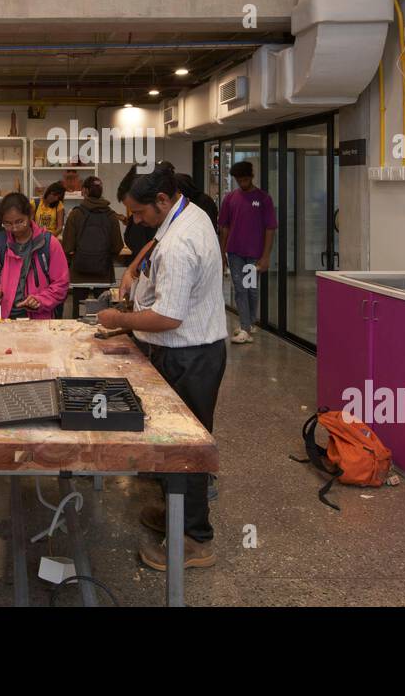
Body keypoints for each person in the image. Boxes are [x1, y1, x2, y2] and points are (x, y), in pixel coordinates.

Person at [99, 165, 227, 573]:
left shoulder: (181, 242)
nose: (134, 221)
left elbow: (168, 317)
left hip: (189, 354)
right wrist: (134, 269)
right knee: (174, 444)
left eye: (138, 213)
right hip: (192, 351)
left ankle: (195, 539)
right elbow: (155, 240)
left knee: (185, 448)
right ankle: (176, 516)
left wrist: (118, 321)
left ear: (162, 200)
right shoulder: (189, 213)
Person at [0, 192, 69, 320]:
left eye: (20, 222)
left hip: (39, 321)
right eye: (8, 224)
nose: (15, 228)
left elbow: (61, 284)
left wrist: (40, 300)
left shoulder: (49, 244)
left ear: (30, 215)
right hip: (3, 320)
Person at [218, 160, 277, 344]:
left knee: (251, 289)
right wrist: (222, 253)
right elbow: (224, 227)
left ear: (251, 177)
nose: (242, 183)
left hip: (253, 254)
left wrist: (265, 256)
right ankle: (245, 328)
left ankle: (249, 323)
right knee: (240, 289)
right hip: (235, 253)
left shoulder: (264, 199)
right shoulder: (229, 198)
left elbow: (270, 229)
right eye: (238, 180)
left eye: (244, 179)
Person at [61, 176, 123, 316]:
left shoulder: (76, 214)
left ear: (84, 191)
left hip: (79, 274)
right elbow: (117, 246)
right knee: (103, 315)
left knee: (78, 314)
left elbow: (67, 247)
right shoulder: (111, 215)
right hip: (104, 273)